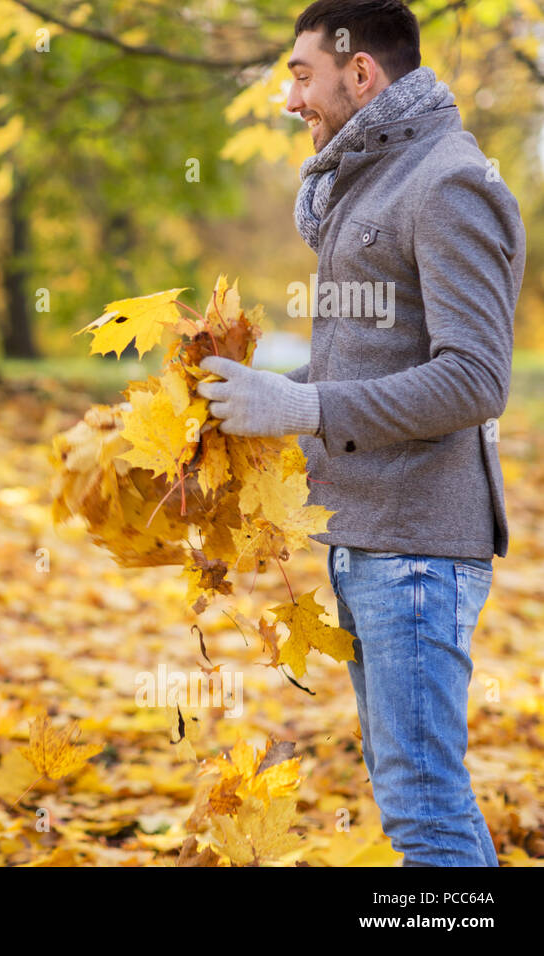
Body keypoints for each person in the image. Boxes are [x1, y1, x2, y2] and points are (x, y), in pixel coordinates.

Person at [197, 0, 524, 866]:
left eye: (303, 75)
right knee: (406, 794)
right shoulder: (369, 180)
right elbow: (366, 372)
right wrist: (257, 401)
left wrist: (303, 408)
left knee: (425, 808)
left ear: (362, 71)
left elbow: (475, 380)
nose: (290, 97)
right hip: (365, 537)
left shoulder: (447, 182)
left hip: (418, 547)